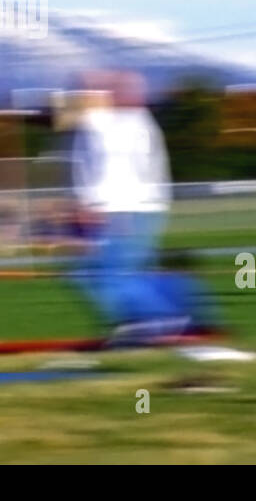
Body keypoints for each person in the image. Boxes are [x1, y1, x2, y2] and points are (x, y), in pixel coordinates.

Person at [69, 72, 219, 345]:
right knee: (110, 273)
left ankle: (159, 319)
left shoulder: (115, 123)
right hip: (130, 207)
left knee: (107, 275)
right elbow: (90, 166)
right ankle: (157, 318)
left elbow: (97, 169)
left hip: (122, 208)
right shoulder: (118, 122)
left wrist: (93, 206)